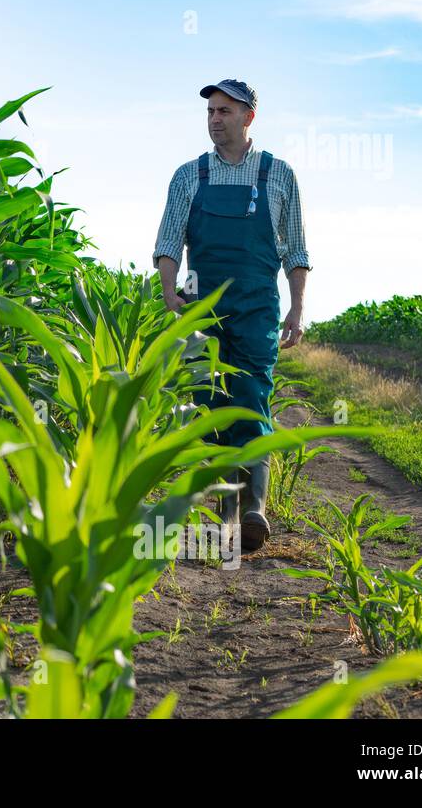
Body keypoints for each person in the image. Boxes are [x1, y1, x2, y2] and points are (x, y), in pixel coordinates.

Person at [152, 79, 311, 552]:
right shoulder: (189, 176)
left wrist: (297, 309)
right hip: (203, 309)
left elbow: (296, 251)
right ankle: (226, 514)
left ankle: (254, 508)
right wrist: (167, 292)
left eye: (224, 111)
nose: (214, 119)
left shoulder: (279, 175)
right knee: (212, 403)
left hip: (257, 307)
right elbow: (168, 242)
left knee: (253, 398)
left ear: (248, 118)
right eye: (210, 112)